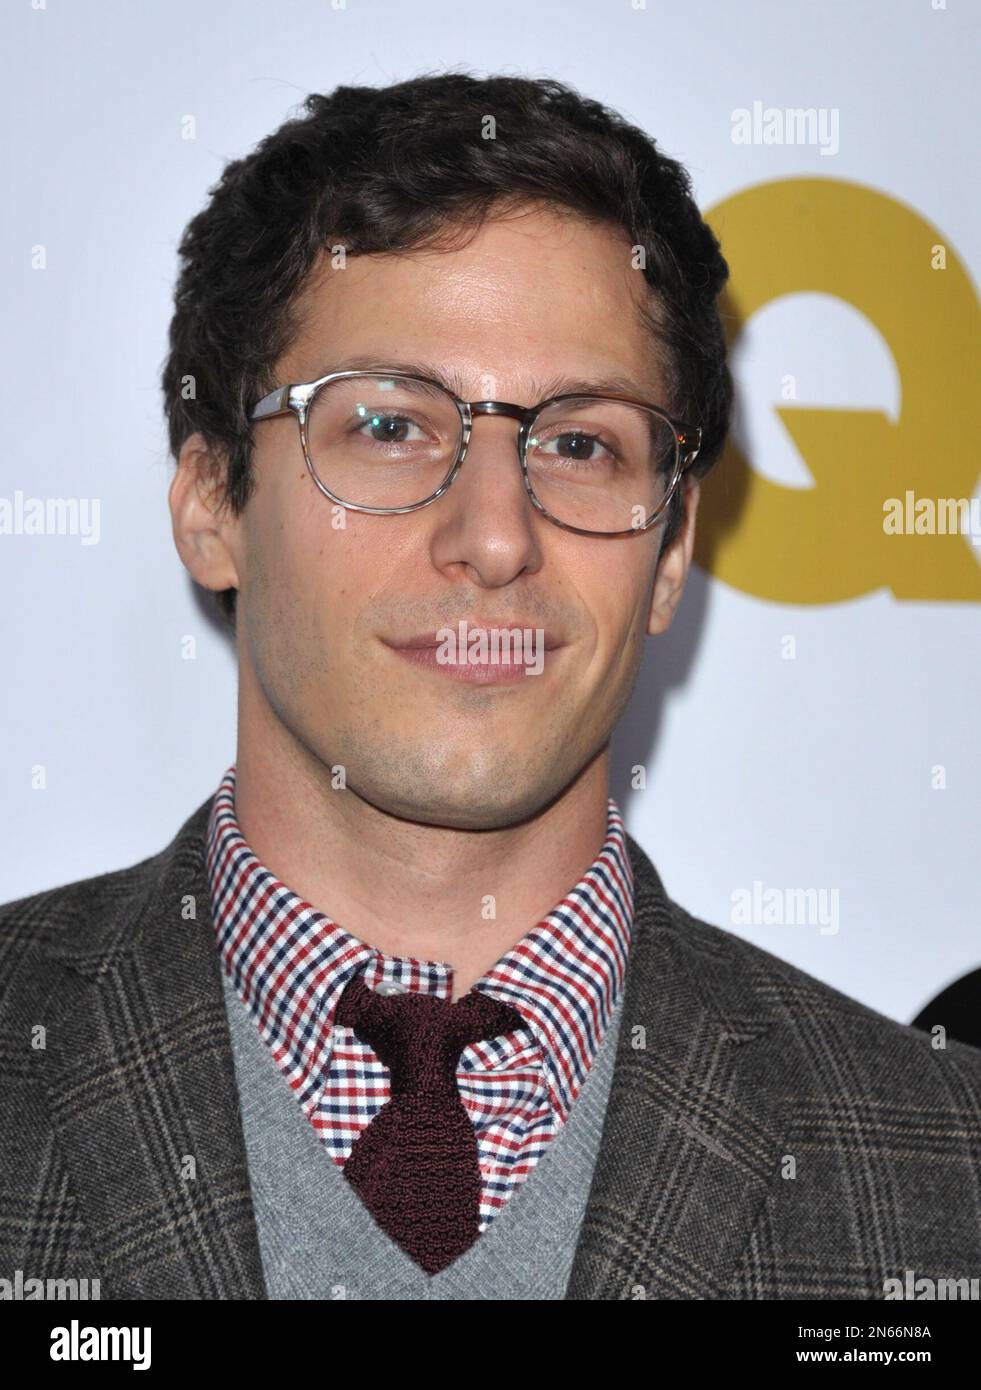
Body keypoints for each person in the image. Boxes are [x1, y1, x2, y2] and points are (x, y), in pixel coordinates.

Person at [2, 73, 979, 1302]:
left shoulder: (949, 1171)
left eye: (581, 443)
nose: (496, 535)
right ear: (211, 507)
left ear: (673, 553)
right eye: (391, 425)